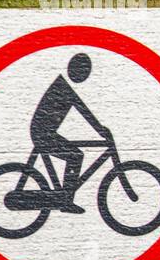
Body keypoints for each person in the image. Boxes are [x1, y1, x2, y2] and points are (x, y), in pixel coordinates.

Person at [28, 52, 108, 211]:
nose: (84, 75)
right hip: (42, 134)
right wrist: (101, 131)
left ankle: (64, 197)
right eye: (83, 71)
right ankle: (66, 202)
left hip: (44, 132)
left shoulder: (63, 84)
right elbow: (84, 112)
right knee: (76, 155)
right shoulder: (63, 87)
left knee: (74, 153)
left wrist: (100, 130)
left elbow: (83, 111)